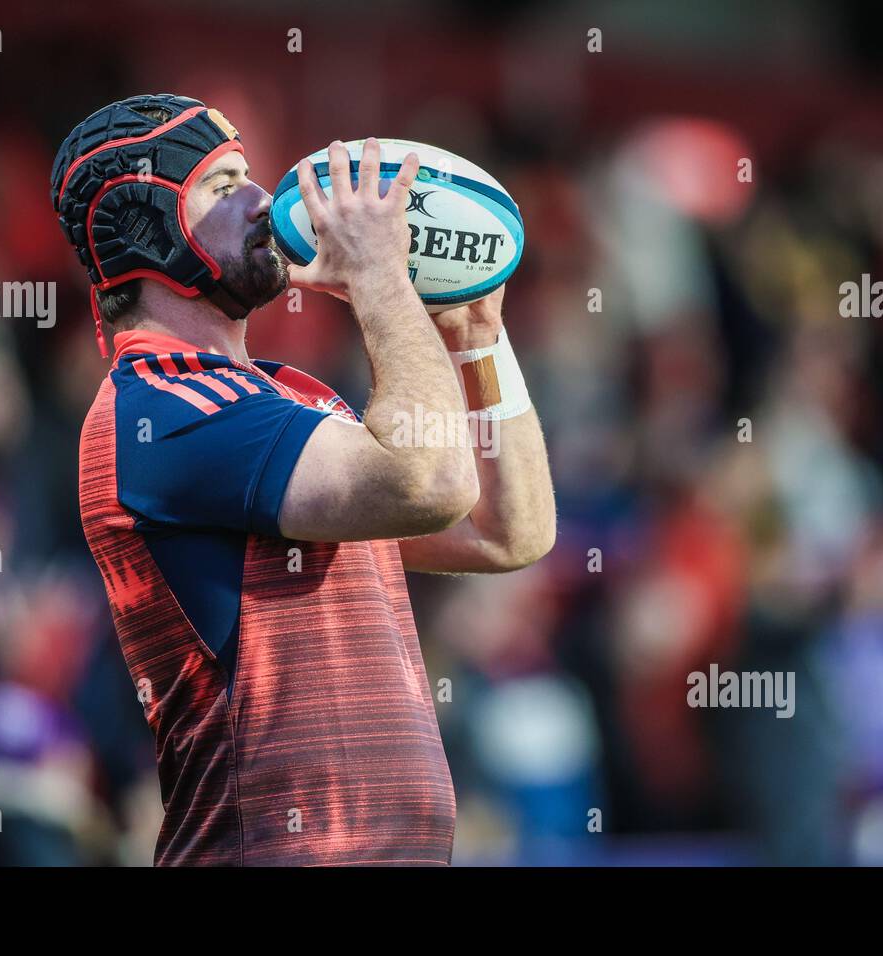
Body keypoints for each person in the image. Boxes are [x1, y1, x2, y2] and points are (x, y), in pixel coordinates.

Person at [51, 94, 556, 865]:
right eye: (222, 185)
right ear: (146, 228)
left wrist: (478, 338)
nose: (263, 200)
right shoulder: (161, 405)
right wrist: (381, 277)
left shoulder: (286, 396)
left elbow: (507, 531)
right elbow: (428, 481)